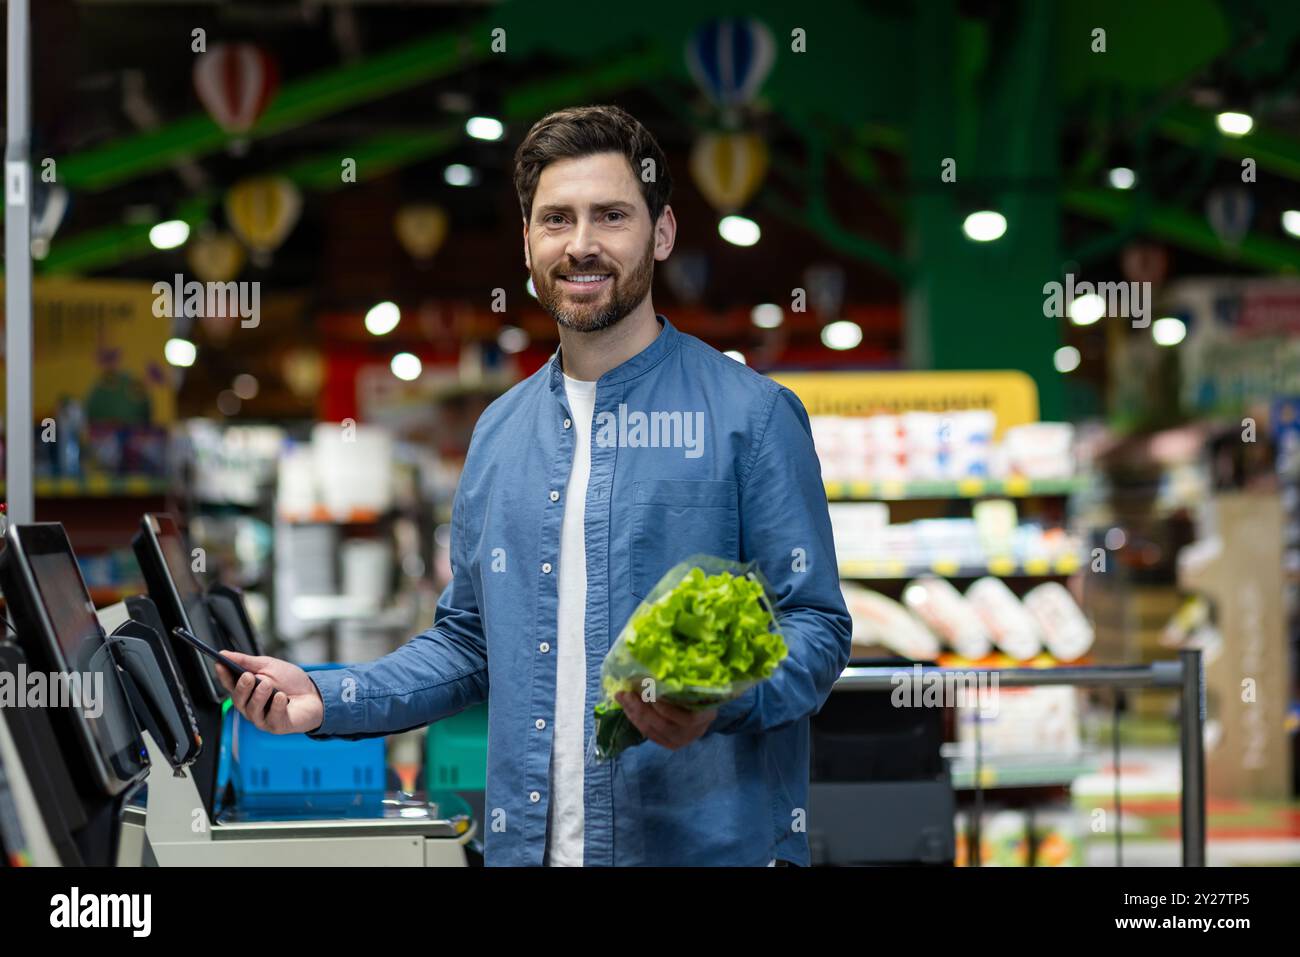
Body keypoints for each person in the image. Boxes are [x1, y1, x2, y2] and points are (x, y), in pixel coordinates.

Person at [217, 104, 852, 867]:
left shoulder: (751, 415)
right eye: (556, 219)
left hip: (705, 850)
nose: (580, 244)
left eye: (611, 215)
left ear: (661, 232)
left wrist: (718, 696)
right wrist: (327, 695)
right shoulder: (501, 432)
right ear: (527, 242)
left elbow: (816, 626)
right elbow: (470, 641)